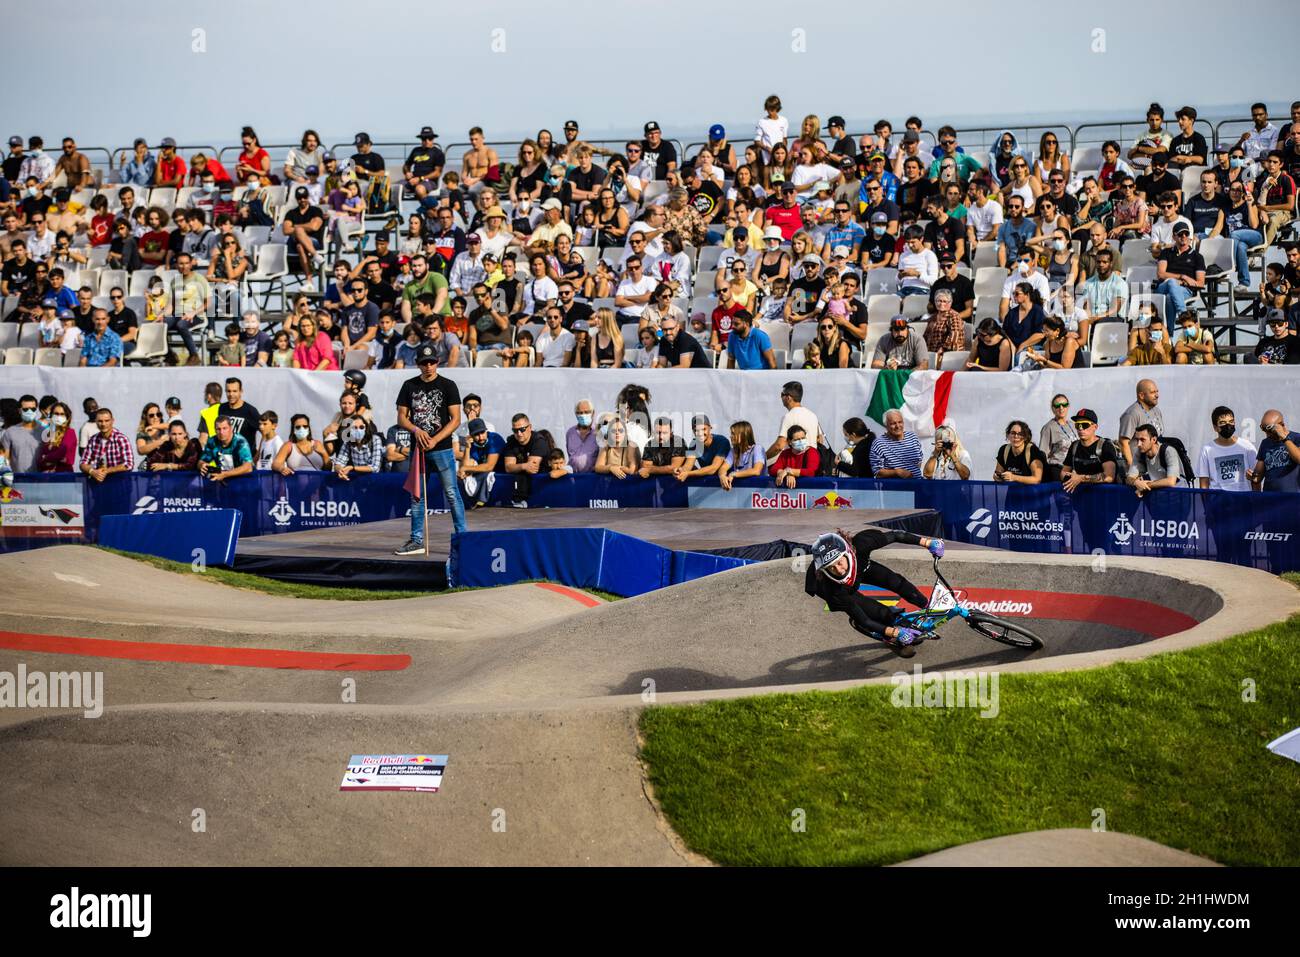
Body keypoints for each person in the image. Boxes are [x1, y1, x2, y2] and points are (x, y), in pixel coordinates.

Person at [806, 529, 948, 656]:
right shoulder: (832, 589)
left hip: (860, 567)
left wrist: (929, 543)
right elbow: (865, 621)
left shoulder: (861, 544)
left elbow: (897, 535)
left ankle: (927, 607)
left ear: (848, 553)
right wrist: (896, 633)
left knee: (895, 582)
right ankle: (892, 635)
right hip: (835, 588)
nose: (838, 570)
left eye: (839, 563)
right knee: (877, 612)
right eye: (831, 568)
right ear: (825, 570)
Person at [394, 342, 467, 553]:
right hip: (419, 450)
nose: (428, 366)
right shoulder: (409, 386)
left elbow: (455, 419)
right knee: (417, 496)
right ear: (418, 364)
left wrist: (435, 439)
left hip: (442, 448)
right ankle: (416, 540)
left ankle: (462, 537)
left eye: (432, 362)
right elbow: (401, 417)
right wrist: (417, 431)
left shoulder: (448, 385)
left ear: (438, 362)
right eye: (424, 363)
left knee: (452, 493)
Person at [501, 414, 553, 508]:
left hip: (543, 485)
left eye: (522, 429)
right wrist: (523, 466)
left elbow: (532, 468)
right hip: (522, 485)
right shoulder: (511, 441)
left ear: (530, 427)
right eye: (515, 430)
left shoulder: (539, 441)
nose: (519, 433)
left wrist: (517, 466)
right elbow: (508, 467)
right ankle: (519, 500)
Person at [1060, 408, 1117, 492]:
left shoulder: (1105, 446)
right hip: (1080, 498)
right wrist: (1071, 478)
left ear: (1095, 427)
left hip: (1103, 498)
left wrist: (1081, 478)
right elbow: (1063, 472)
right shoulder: (1074, 446)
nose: (1081, 429)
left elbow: (1109, 477)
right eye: (1077, 425)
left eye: (1085, 425)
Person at [1250, 410, 1300, 493]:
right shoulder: (1265, 443)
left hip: (1293, 498)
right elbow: (1258, 476)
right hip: (1271, 498)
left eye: (1270, 430)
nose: (1267, 435)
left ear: (1282, 425)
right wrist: (1253, 476)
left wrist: (1284, 438)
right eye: (1264, 429)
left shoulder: (1297, 438)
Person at [1127, 424, 1183, 497]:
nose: (1139, 444)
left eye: (1142, 440)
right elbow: (1129, 478)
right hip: (1160, 496)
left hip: (1180, 496)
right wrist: (1136, 482)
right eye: (1137, 440)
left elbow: (1171, 481)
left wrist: (1145, 486)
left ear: (1154, 439)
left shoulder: (1169, 451)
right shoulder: (1139, 453)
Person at [198, 416, 253, 483]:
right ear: (215, 430)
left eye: (225, 428)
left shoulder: (240, 442)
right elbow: (201, 461)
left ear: (231, 428)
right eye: (218, 429)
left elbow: (248, 467)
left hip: (244, 482)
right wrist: (202, 465)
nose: (221, 432)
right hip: (224, 483)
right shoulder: (212, 441)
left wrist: (224, 474)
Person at [869, 410, 922, 479]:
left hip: (917, 485)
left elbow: (919, 462)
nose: (897, 426)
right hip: (894, 488)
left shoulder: (913, 437)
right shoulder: (878, 443)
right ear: (886, 426)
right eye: (893, 423)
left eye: (900, 422)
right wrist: (896, 472)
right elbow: (877, 473)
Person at [1, 394, 44, 473]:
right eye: (26, 409)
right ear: (19, 410)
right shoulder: (10, 432)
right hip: (17, 481)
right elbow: (4, 459)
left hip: (40, 480)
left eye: (33, 409)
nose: (29, 411)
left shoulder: (44, 432)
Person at [1037, 394, 1075, 483]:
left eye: (1064, 405)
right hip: (1058, 471)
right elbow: (1042, 455)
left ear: (1068, 406)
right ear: (1052, 408)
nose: (1061, 408)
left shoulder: (1073, 425)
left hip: (1074, 471)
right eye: (1057, 406)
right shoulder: (1048, 427)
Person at [566, 399, 600, 474]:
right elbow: (570, 456)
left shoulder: (599, 432)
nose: (583, 415)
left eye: (586, 412)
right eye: (580, 413)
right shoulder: (570, 433)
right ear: (576, 414)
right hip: (575, 478)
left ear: (593, 413)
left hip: (593, 478)